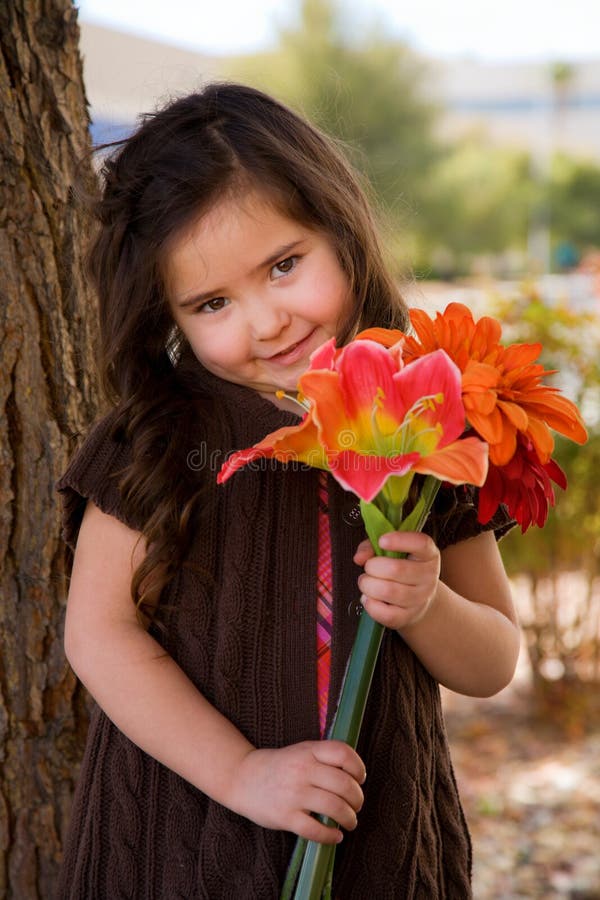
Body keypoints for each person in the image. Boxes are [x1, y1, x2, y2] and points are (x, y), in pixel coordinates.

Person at [57, 82, 520, 899]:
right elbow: (99, 635)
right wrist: (243, 773)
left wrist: (428, 606)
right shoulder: (158, 441)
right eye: (212, 303)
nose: (266, 321)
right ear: (167, 317)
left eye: (283, 266)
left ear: (340, 231)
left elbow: (493, 661)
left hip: (377, 853)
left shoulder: (429, 416)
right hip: (182, 845)